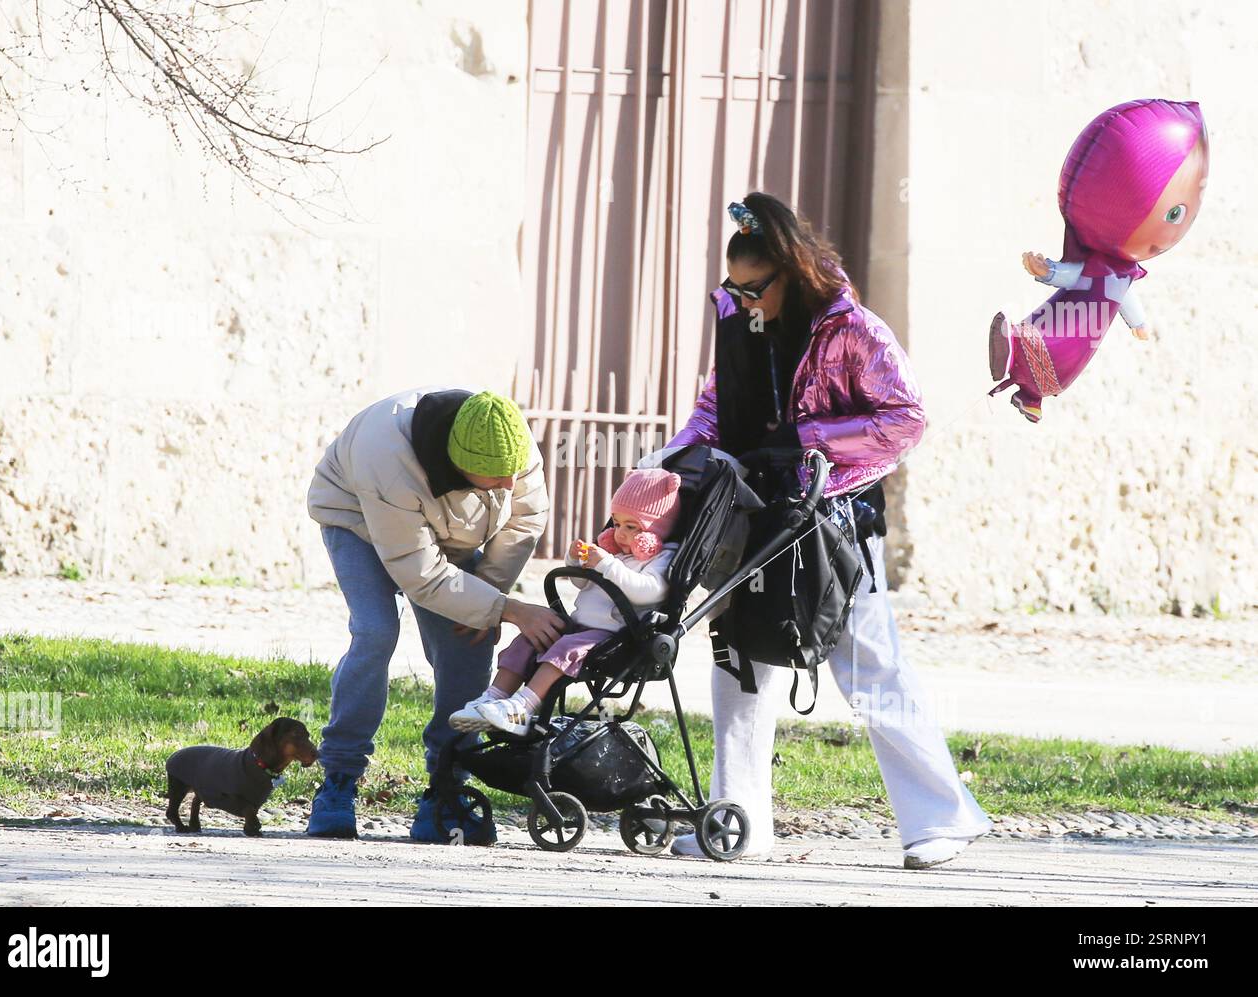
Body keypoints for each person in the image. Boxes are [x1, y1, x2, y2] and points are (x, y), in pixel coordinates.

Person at [666, 192, 992, 868]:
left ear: (789, 271)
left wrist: (809, 440)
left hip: (834, 523)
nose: (745, 300)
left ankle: (943, 816)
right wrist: (669, 460)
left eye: (755, 288)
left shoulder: (854, 329)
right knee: (739, 663)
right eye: (734, 289)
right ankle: (739, 822)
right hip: (753, 516)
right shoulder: (744, 325)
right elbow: (714, 406)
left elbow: (905, 417)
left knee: (869, 666)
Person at [305, 387, 565, 843]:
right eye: (496, 476)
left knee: (471, 637)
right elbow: (420, 573)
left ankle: (446, 787)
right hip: (358, 522)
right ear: (458, 462)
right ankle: (339, 780)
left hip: (447, 531)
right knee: (375, 632)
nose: (509, 484)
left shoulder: (510, 442)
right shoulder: (387, 458)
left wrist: (489, 594)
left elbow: (525, 518)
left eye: (513, 473)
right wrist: (508, 609)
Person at [449, 468, 682, 736]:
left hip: (615, 636)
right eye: (616, 524)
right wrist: (577, 561)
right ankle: (492, 697)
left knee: (565, 648)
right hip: (580, 625)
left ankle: (523, 706)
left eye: (632, 527)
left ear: (655, 531)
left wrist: (606, 565)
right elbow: (581, 584)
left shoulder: (660, 559)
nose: (620, 534)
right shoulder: (615, 553)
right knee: (530, 638)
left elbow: (648, 592)